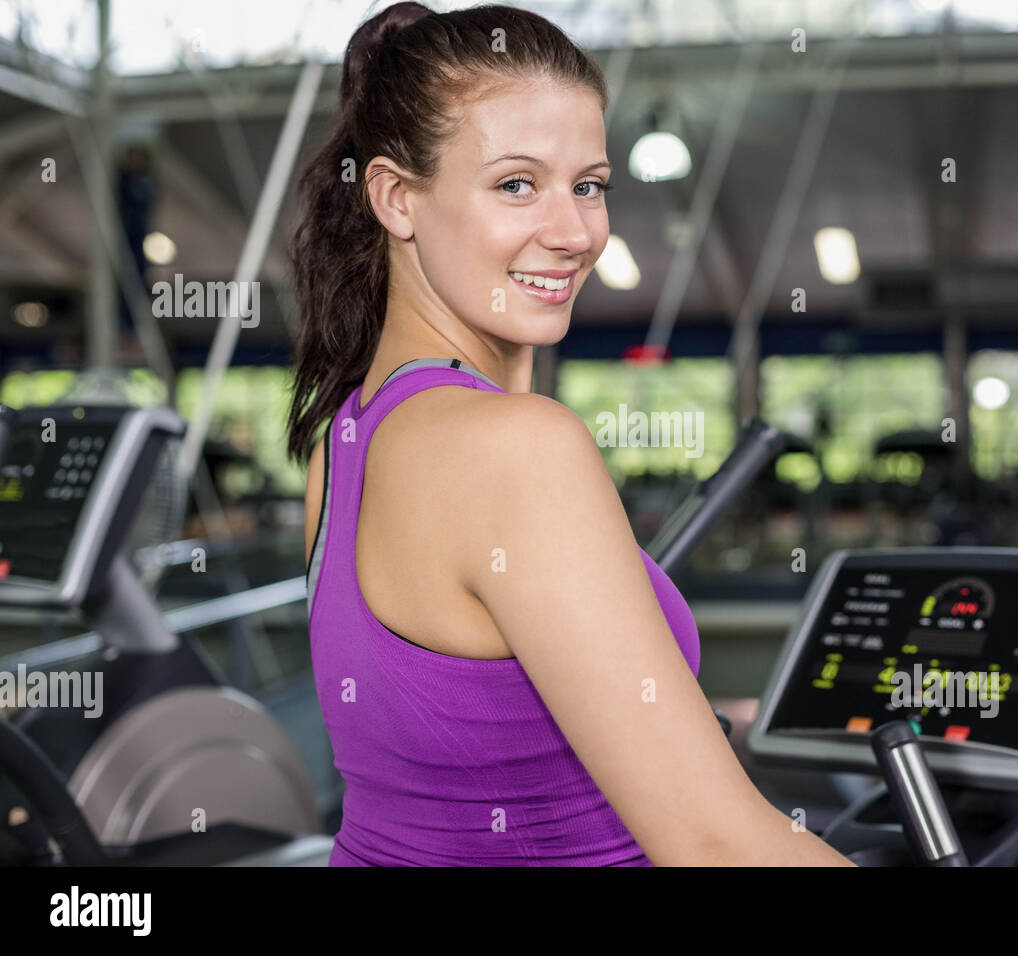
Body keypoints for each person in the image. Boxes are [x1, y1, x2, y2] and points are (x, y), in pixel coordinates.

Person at [285, 1, 855, 867]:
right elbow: (713, 845)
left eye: (588, 185)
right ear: (397, 198)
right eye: (517, 184)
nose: (573, 232)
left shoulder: (346, 438)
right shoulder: (519, 445)